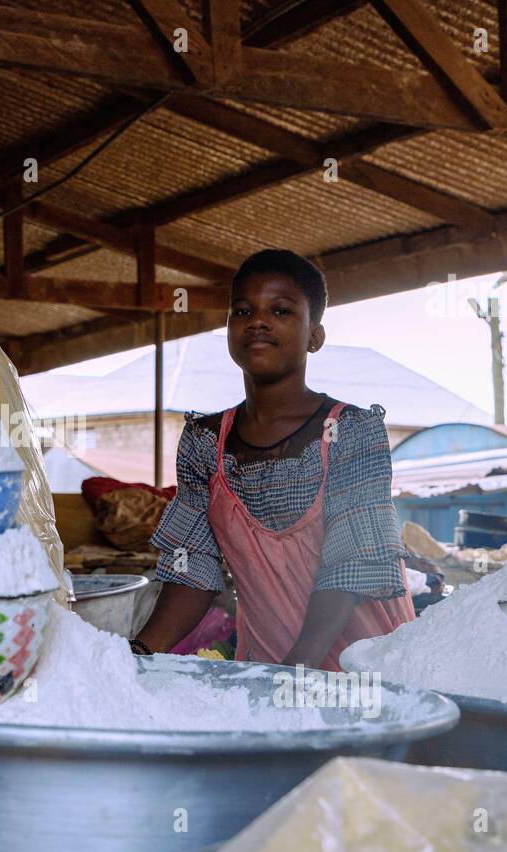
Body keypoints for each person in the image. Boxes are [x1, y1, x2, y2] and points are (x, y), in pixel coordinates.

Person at [131, 249, 413, 670]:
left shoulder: (350, 431)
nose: (257, 321)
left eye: (280, 310)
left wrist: (295, 670)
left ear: (314, 336)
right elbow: (193, 567)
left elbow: (354, 564)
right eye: (242, 310)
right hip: (267, 663)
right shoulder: (204, 442)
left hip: (367, 669)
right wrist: (135, 654)